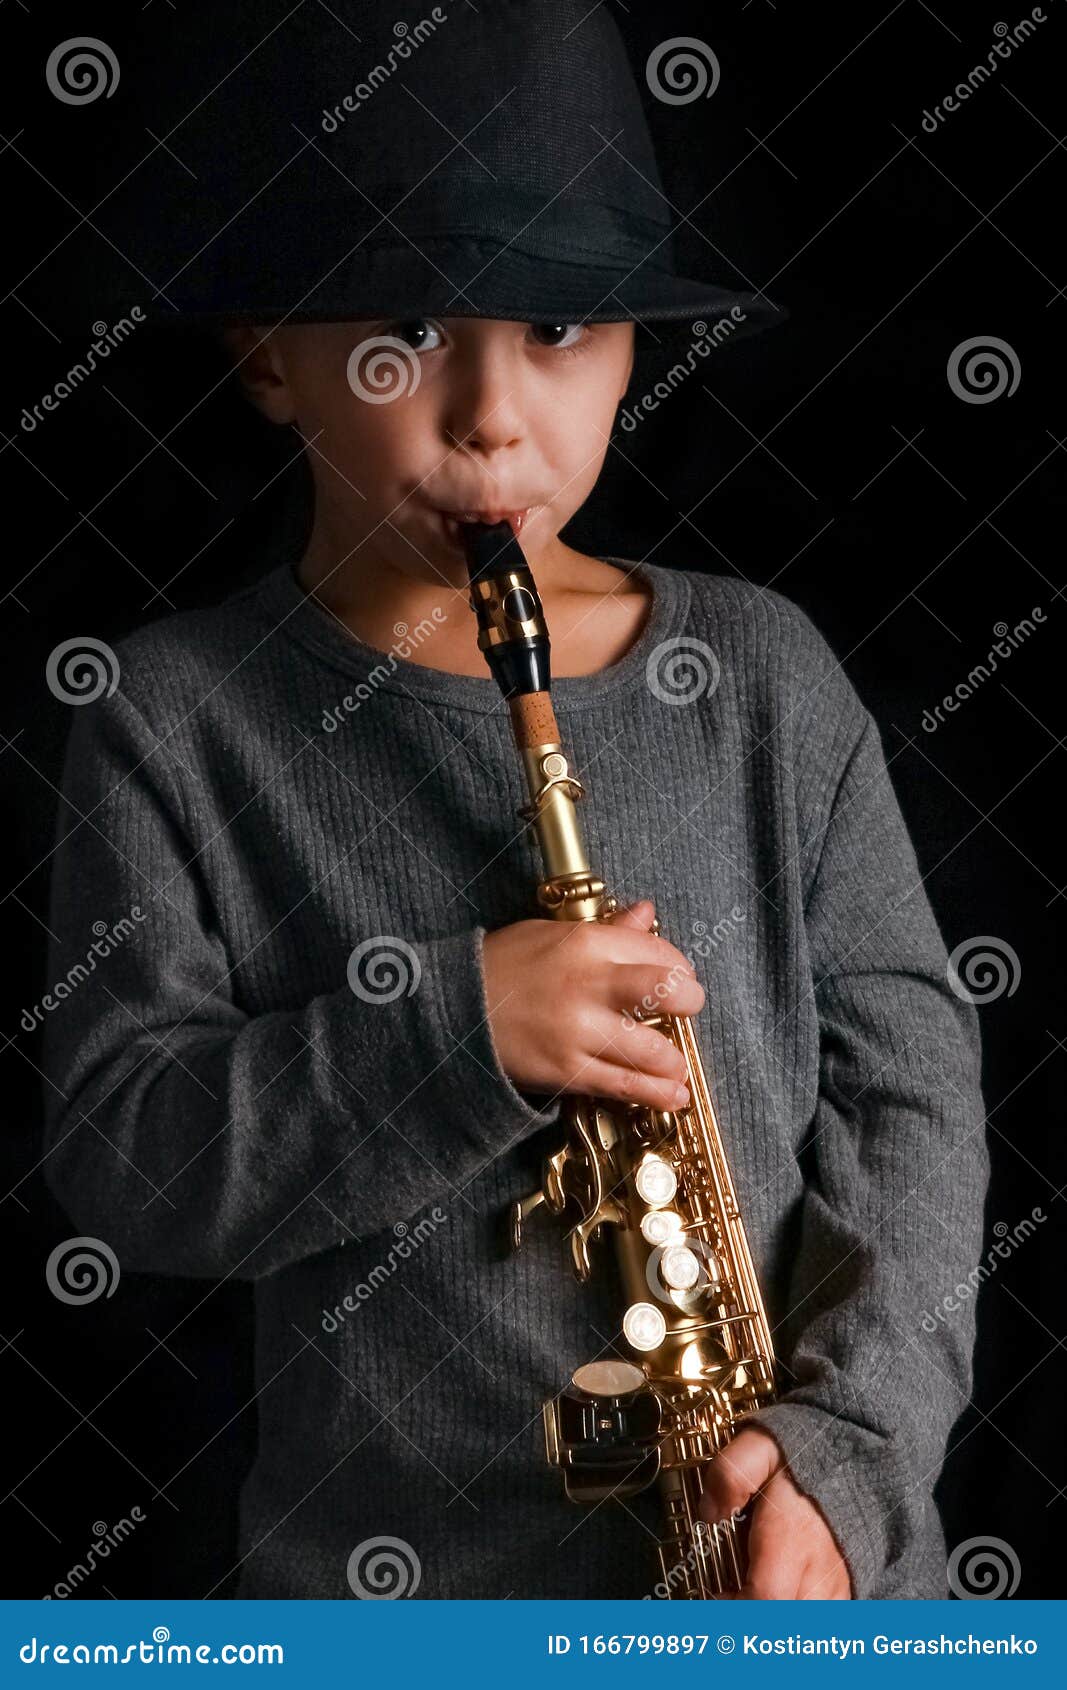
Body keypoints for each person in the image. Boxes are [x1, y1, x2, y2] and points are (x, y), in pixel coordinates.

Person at [40, 0, 987, 1600]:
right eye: (409, 327)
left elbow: (919, 1111)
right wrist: (457, 1032)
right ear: (267, 353)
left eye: (560, 327)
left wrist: (848, 1462)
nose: (491, 413)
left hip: (798, 1584)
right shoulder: (169, 715)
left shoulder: (765, 675)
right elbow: (126, 1156)